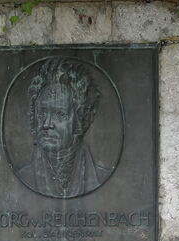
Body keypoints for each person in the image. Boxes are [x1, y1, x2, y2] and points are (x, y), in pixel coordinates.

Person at [16, 58, 112, 198]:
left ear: (81, 119)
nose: (47, 123)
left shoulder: (102, 179)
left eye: (59, 114)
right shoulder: (22, 178)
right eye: (42, 113)